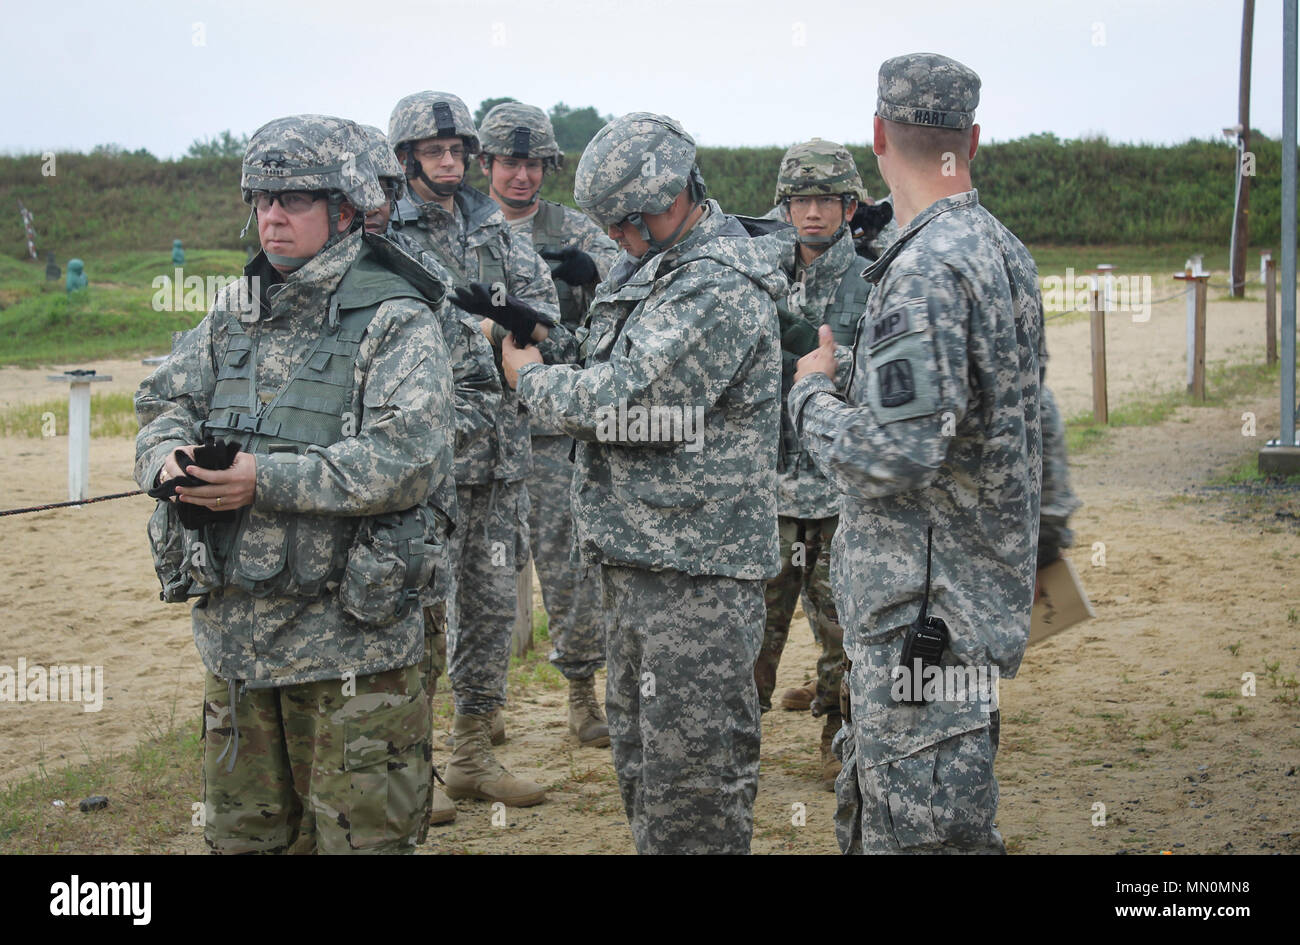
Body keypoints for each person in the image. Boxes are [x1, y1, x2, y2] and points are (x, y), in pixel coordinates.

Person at [135, 114, 456, 854]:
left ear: (345, 210)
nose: (271, 216)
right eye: (261, 199)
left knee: (362, 843)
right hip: (237, 651)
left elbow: (407, 456)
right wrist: (165, 460)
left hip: (352, 652)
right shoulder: (236, 310)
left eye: (295, 200)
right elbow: (161, 402)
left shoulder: (396, 318)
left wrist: (261, 481)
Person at [501, 112, 785, 854]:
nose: (616, 240)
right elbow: (616, 364)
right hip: (643, 564)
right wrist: (545, 335)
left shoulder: (714, 286)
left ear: (665, 203)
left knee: (692, 798)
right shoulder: (660, 266)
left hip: (695, 579)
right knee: (648, 780)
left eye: (623, 224)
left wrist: (531, 379)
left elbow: (628, 405)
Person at [788, 54, 1046, 854]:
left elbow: (894, 456)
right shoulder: (999, 249)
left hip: (922, 627)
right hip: (959, 609)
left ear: (875, 137)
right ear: (971, 139)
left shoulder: (927, 268)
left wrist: (812, 396)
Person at [388, 90, 568, 807]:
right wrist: (485, 330)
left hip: (499, 456)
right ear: (407, 159)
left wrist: (515, 322)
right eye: (436, 151)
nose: (451, 162)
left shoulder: (492, 227)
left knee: (491, 610)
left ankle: (470, 755)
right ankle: (412, 767)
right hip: (422, 462)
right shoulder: (385, 233)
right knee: (420, 614)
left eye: (458, 150)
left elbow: (543, 311)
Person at [358, 122, 502, 827]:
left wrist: (418, 441)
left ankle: (436, 765)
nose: (376, 204)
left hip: (422, 492)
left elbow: (479, 383)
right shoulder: (271, 291)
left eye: (383, 191)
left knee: (434, 625)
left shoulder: (421, 277)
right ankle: (395, 775)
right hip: (328, 508)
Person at [476, 101, 619, 748]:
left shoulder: (574, 229)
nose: (522, 175)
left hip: (551, 424)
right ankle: (479, 709)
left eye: (533, 162)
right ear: (487, 165)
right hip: (480, 423)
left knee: (567, 566)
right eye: (510, 161)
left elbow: (638, 277)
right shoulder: (464, 233)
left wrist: (597, 279)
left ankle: (582, 695)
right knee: (479, 573)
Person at [751, 138, 873, 791]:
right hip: (767, 493)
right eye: (802, 198)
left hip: (836, 493)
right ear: (786, 205)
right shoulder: (760, 277)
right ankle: (738, 740)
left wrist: (825, 366)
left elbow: (882, 377)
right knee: (751, 634)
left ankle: (839, 737)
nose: (814, 212)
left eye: (827, 198)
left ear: (849, 205)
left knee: (846, 633)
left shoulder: (873, 281)